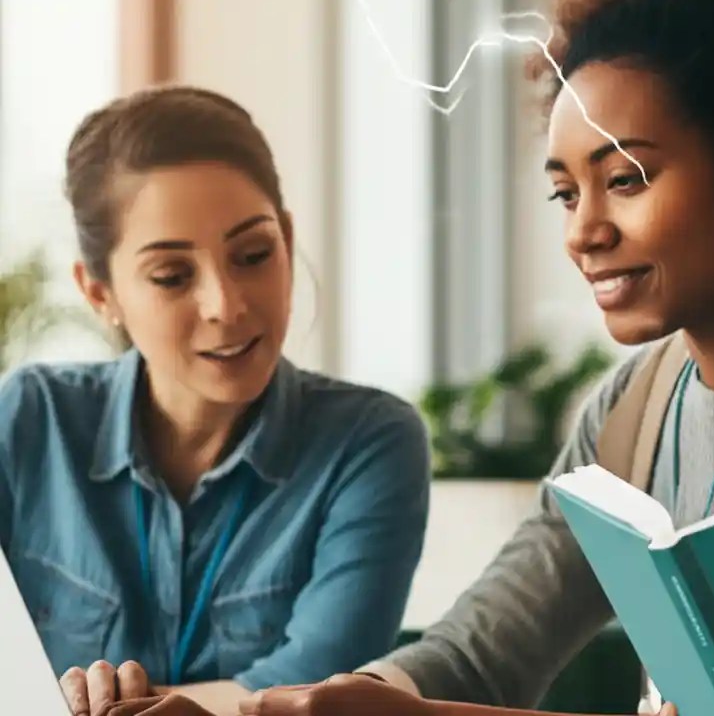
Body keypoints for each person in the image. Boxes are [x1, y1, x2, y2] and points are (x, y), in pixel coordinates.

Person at [98, 0, 714, 714]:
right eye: (563, 193)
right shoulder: (629, 412)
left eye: (625, 179)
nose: (585, 232)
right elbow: (476, 652)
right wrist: (283, 707)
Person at [0, 85, 431, 716]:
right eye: (173, 276)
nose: (225, 306)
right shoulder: (30, 420)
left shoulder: (370, 443)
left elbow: (313, 693)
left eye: (253, 255)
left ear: (286, 237)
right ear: (99, 293)